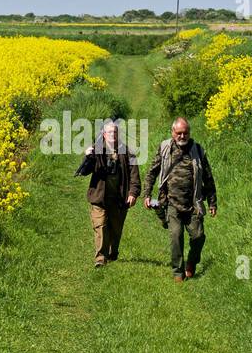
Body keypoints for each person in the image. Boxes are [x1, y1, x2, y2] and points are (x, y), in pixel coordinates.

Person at [143, 117, 217, 282]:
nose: (183, 136)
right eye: (179, 133)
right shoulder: (165, 148)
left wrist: (212, 202)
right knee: (176, 237)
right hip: (171, 203)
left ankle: (191, 262)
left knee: (198, 236)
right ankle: (178, 272)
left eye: (186, 133)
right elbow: (151, 172)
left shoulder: (198, 150)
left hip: (193, 203)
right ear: (173, 133)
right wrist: (147, 194)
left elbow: (208, 177)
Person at [74, 120, 140, 267]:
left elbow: (135, 175)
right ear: (104, 135)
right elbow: (84, 172)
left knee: (115, 229)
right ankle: (100, 259)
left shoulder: (128, 152)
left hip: (119, 198)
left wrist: (133, 193)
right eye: (110, 132)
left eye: (115, 132)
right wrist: (88, 156)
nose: (113, 135)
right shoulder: (97, 151)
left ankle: (112, 253)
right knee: (101, 226)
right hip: (99, 197)